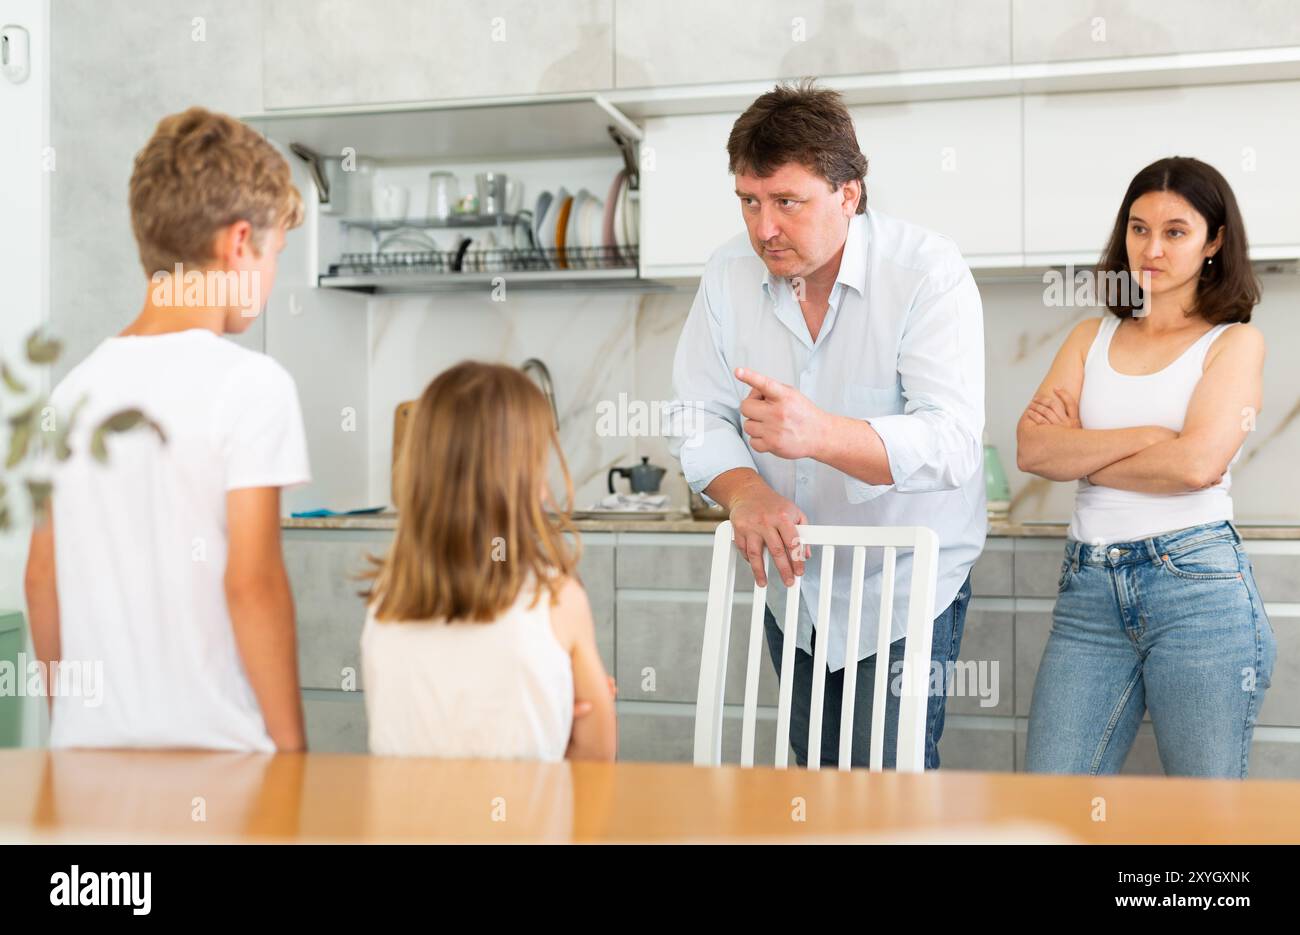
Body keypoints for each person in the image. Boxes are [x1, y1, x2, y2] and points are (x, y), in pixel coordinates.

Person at [667, 80, 986, 768]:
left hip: (904, 588)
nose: (762, 228)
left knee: (886, 786)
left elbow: (953, 442)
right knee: (811, 782)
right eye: (749, 201)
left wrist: (820, 433)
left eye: (787, 201)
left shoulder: (927, 273)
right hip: (799, 589)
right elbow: (697, 413)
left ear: (849, 193)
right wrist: (746, 492)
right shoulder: (726, 275)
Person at [25, 107, 311, 751]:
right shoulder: (252, 386)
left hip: (88, 764)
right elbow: (253, 584)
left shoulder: (70, 394)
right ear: (239, 243)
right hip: (219, 763)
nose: (270, 277)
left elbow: (40, 580)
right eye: (275, 255)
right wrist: (294, 756)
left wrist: (73, 729)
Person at [1019, 156, 1276, 777]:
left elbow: (1196, 465)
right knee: (1052, 803)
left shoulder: (1234, 341)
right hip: (1088, 593)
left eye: (1175, 231)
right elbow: (1033, 449)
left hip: (1197, 590)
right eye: (1138, 228)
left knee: (1205, 823)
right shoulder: (1090, 337)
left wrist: (1083, 452)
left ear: (1214, 240)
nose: (1151, 248)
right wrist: (1146, 437)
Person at [361, 361, 617, 761]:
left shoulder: (386, 599)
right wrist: (559, 715)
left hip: (400, 823)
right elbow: (596, 766)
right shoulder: (555, 600)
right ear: (528, 480)